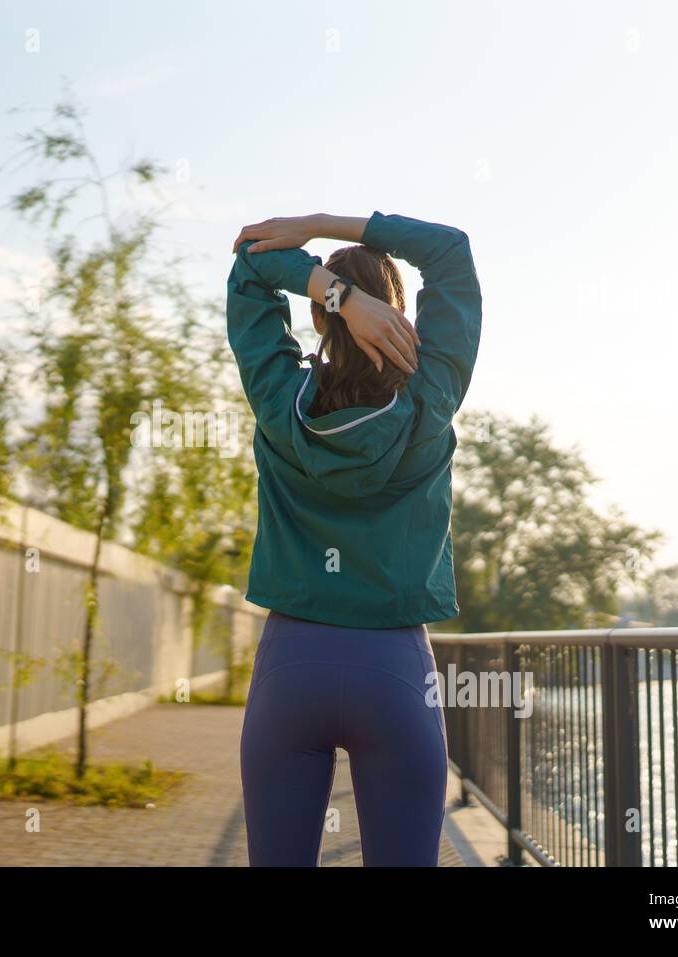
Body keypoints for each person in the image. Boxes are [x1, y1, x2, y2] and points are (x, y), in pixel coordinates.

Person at [226, 211, 482, 866]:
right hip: (395, 673)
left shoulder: (281, 400)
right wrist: (327, 224)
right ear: (397, 315)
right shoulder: (432, 396)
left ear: (317, 318)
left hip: (292, 668)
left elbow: (250, 260)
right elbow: (451, 251)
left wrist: (336, 292)